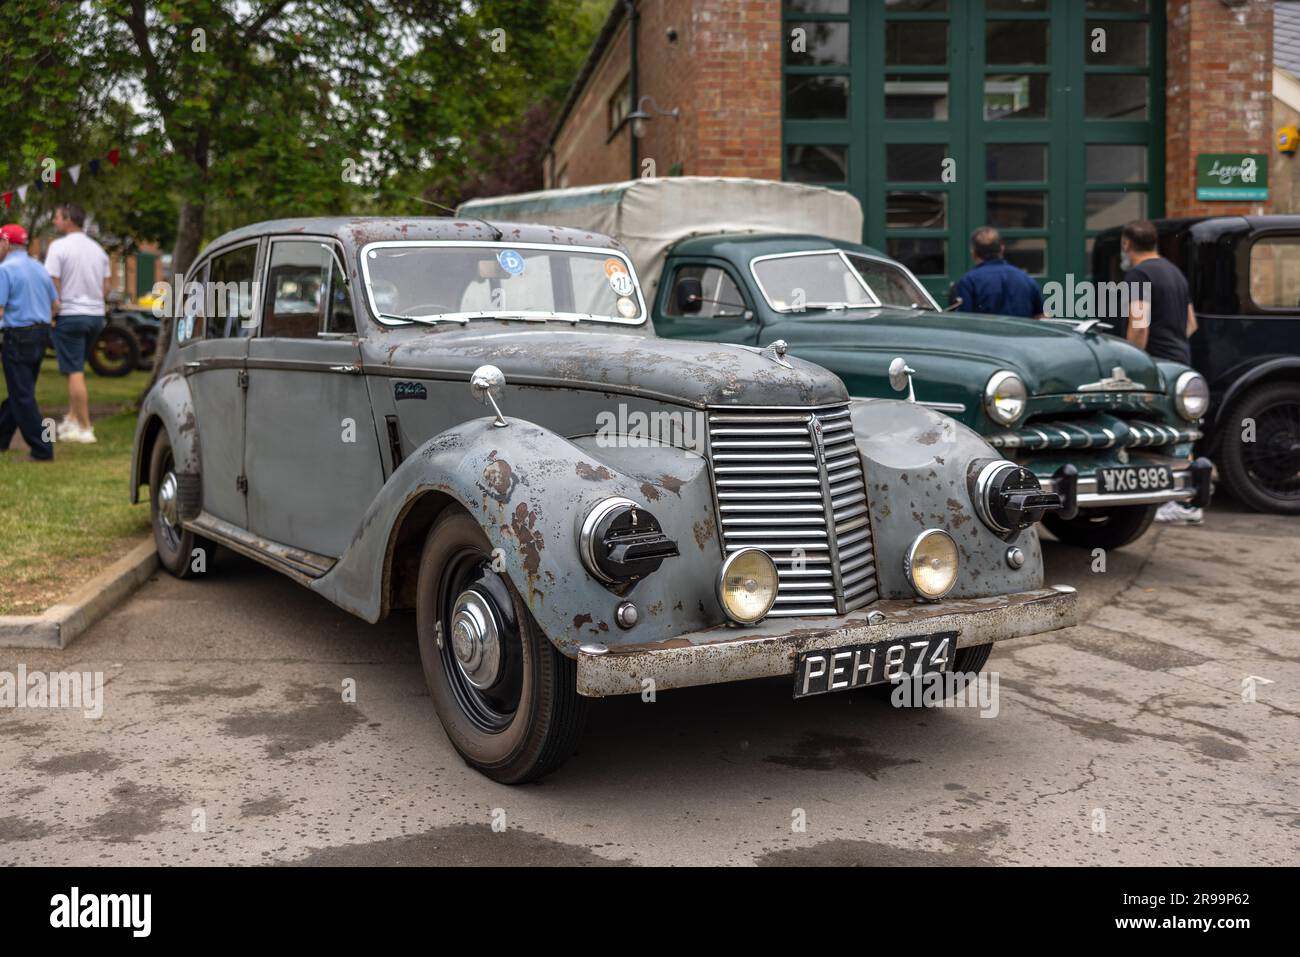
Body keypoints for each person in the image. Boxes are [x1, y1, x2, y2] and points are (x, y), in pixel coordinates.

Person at [1120, 219, 1202, 526]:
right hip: (1180, 360)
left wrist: (1130, 362)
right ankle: (1187, 499)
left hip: (1154, 365)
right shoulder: (1174, 273)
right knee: (1181, 430)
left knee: (1156, 434)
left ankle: (1176, 501)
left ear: (1127, 244)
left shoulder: (1138, 275)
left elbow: (1139, 325)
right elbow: (1190, 324)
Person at [44, 202, 111, 444]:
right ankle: (72, 419)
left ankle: (85, 428)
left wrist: (54, 308)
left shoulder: (58, 247)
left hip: (71, 314)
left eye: (57, 217)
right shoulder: (98, 250)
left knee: (74, 371)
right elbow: (106, 287)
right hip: (95, 316)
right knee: (77, 368)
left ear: (68, 219)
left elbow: (52, 282)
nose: (54, 221)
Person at [0, 224, 59, 461]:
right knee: (21, 391)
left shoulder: (5, 269)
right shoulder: (39, 267)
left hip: (18, 335)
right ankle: (1, 439)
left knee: (22, 396)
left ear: (5, 243)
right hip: (41, 333)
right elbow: (56, 305)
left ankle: (43, 449)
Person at [950, 226, 1045, 318]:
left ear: (973, 251)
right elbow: (1040, 316)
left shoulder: (969, 281)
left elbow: (964, 321)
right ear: (1002, 248)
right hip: (1021, 333)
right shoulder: (1026, 279)